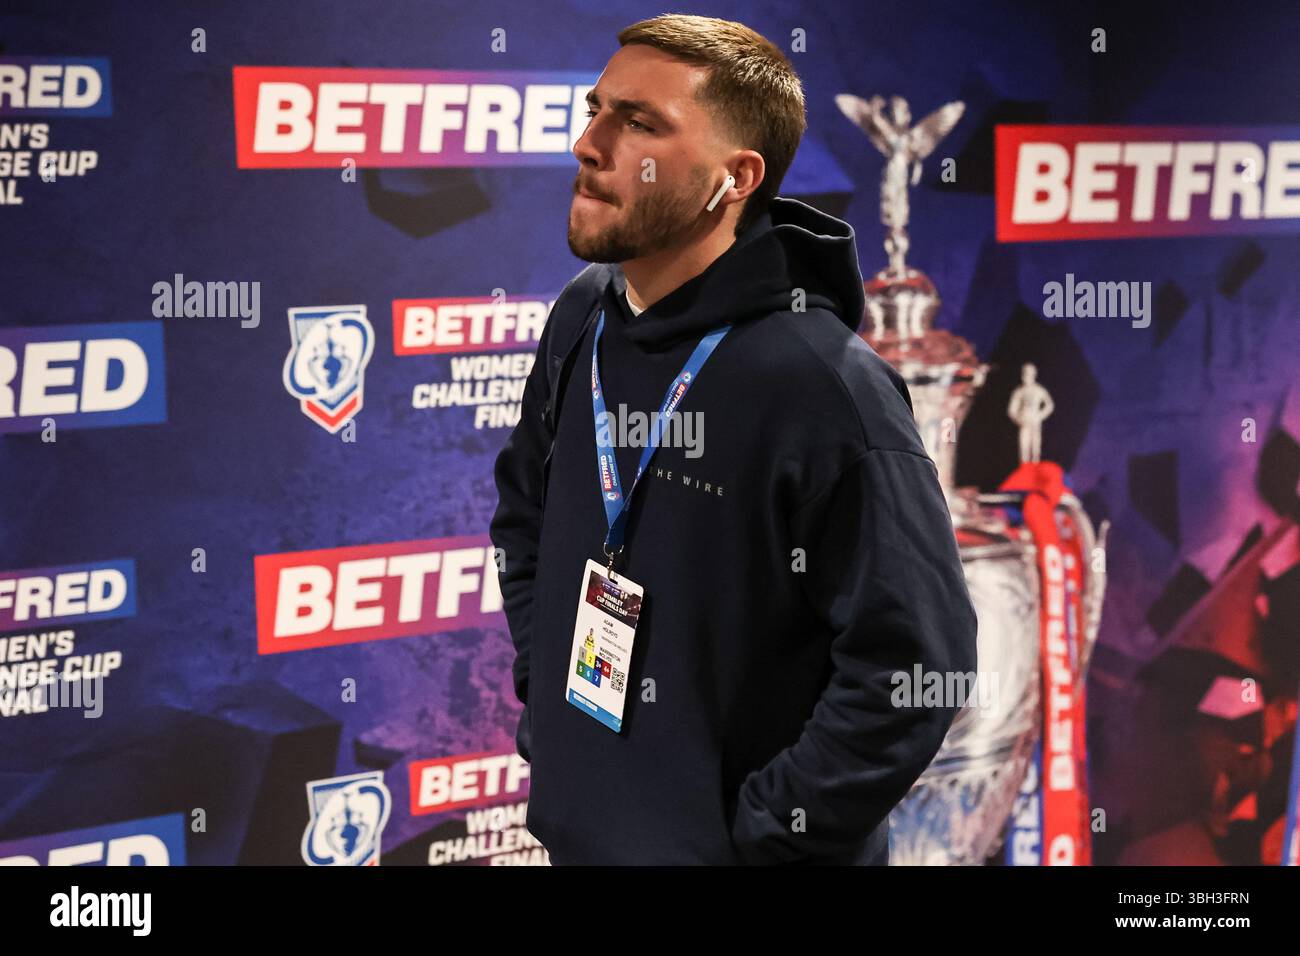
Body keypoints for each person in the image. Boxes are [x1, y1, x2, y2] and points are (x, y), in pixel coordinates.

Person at [489, 13, 977, 865]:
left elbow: (914, 669)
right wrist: (556, 717)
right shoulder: (580, 320)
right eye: (597, 108)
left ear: (735, 177)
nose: (589, 143)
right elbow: (525, 516)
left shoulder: (827, 386)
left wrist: (755, 835)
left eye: (640, 122)